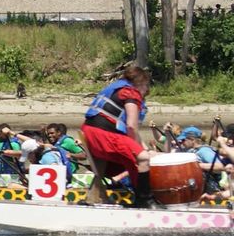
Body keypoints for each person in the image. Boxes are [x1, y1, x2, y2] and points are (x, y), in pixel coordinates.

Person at [81, 64, 157, 206]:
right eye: (146, 86)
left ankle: (94, 197)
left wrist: (141, 147)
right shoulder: (131, 93)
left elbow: (131, 132)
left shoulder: (116, 87)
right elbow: (131, 126)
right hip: (103, 133)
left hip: (88, 131)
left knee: (127, 161)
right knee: (143, 159)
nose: (146, 91)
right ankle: (145, 201)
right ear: (141, 82)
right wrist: (143, 151)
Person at [175, 126, 233, 198]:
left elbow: (220, 166)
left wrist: (195, 166)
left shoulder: (204, 151)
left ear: (192, 139)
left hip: (215, 187)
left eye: (183, 140)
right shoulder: (188, 150)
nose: (181, 142)